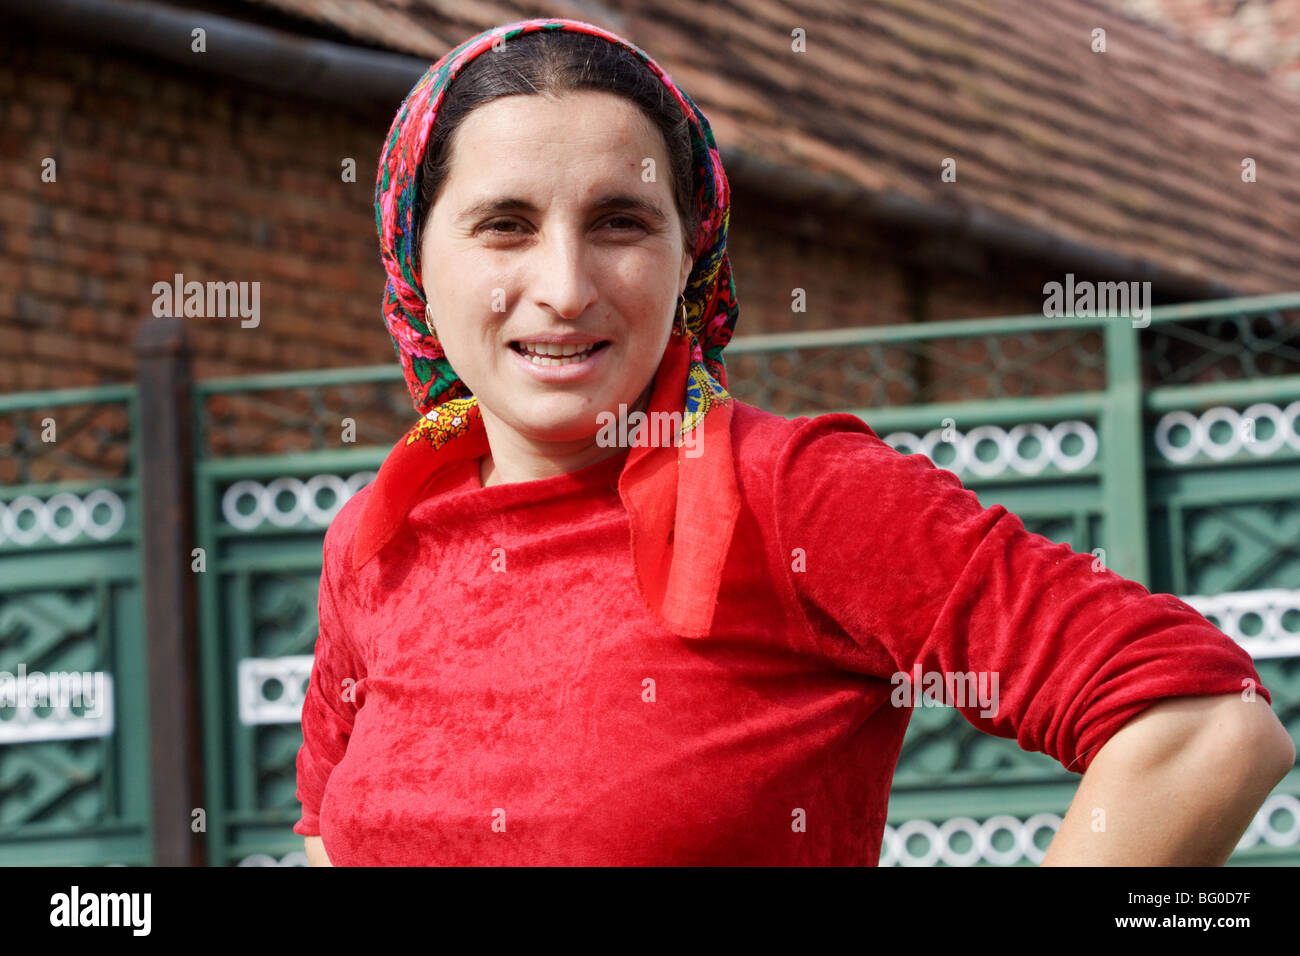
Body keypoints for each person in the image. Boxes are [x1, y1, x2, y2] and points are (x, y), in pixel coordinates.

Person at [293, 18, 1293, 866]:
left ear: (691, 254)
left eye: (621, 222)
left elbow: (1207, 725)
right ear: (411, 256)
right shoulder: (379, 539)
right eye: (504, 224)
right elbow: (325, 837)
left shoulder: (794, 495)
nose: (564, 284)